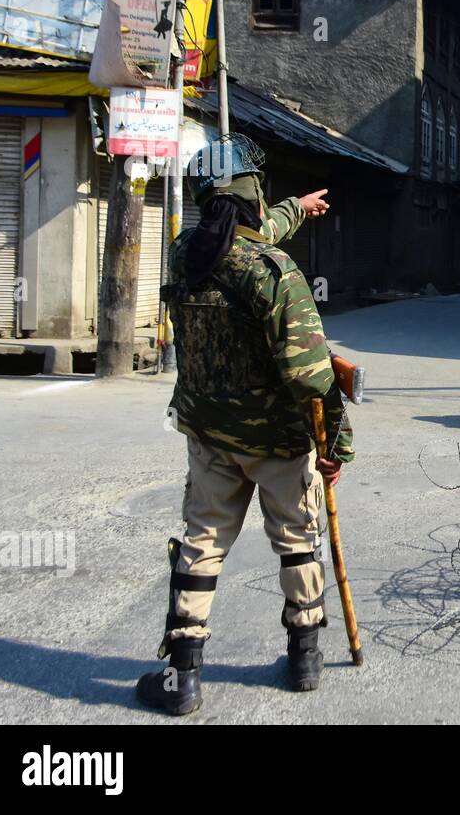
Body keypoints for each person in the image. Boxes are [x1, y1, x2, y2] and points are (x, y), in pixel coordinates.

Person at [136, 137, 353, 716]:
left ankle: (183, 677)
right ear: (252, 193)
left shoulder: (186, 254)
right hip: (278, 443)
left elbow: (247, 237)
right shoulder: (274, 273)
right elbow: (311, 377)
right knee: (297, 541)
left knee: (201, 545)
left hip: (210, 438)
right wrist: (337, 444)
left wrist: (296, 209)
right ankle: (305, 659)